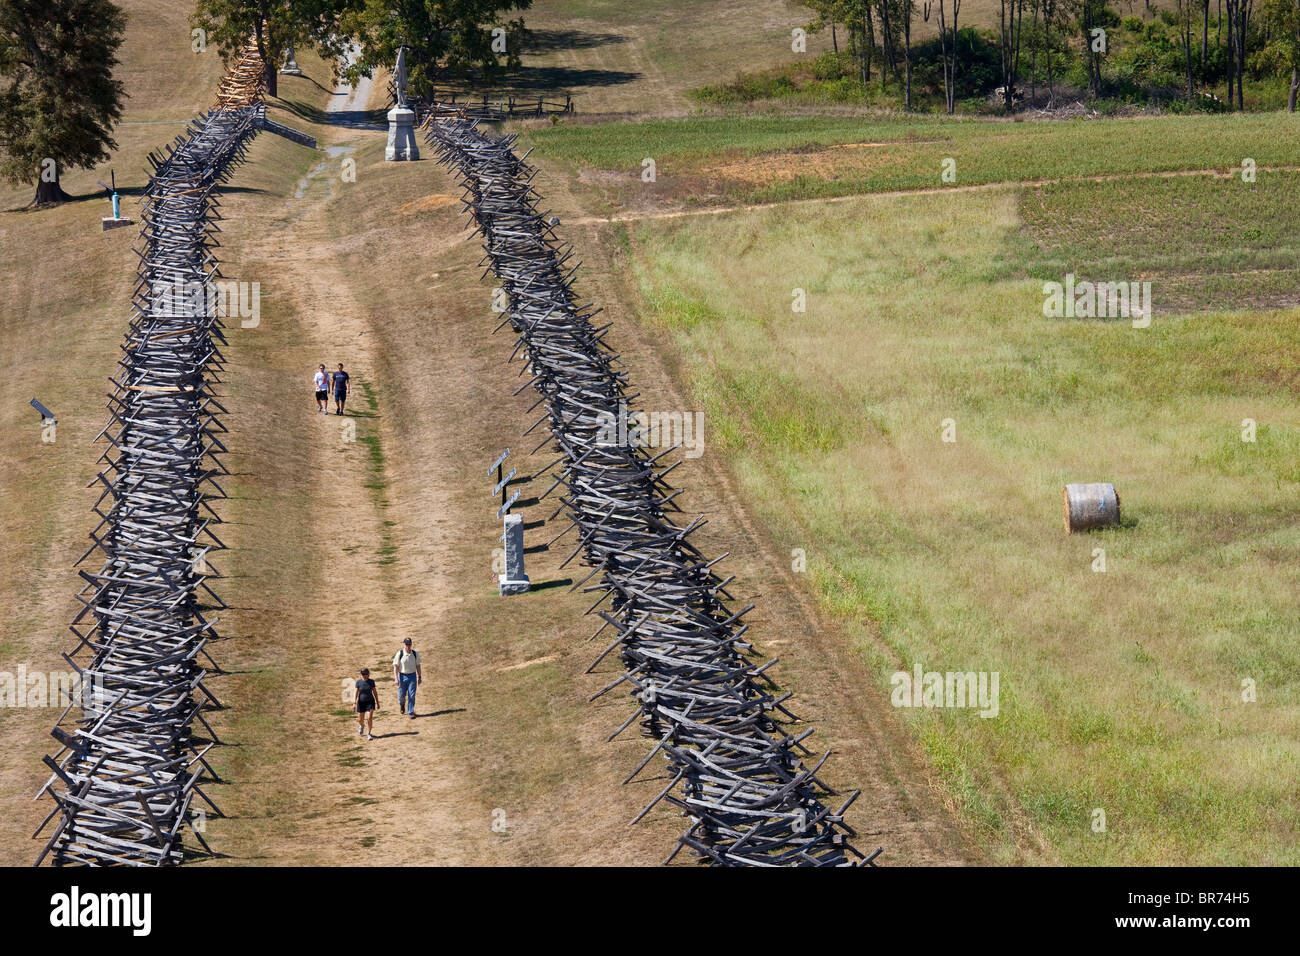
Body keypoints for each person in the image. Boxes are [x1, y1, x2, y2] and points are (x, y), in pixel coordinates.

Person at [391, 638, 422, 719]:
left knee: (412, 694)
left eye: (409, 644)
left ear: (411, 644)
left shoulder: (415, 654)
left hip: (412, 676)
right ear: (403, 644)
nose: (408, 646)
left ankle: (410, 711)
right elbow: (395, 666)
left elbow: (418, 665)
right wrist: (396, 678)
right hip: (402, 676)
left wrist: (419, 676)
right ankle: (402, 704)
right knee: (401, 695)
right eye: (406, 644)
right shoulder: (400, 653)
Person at [354, 667, 379, 740]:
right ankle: (362, 726)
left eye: (365, 674)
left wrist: (377, 702)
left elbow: (375, 692)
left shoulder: (371, 682)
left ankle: (368, 734)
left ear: (368, 674)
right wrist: (354, 702)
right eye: (362, 674)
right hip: (361, 703)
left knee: (369, 718)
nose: (364, 675)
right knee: (360, 719)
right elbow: (356, 692)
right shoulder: (358, 682)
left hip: (370, 702)